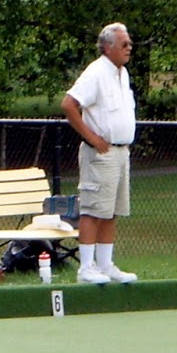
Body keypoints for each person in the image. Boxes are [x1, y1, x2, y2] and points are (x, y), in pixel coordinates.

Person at [61, 22, 138, 284]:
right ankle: (86, 268)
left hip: (120, 151)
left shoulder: (122, 73)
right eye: (123, 44)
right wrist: (92, 137)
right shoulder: (95, 73)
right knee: (93, 210)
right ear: (108, 47)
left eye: (129, 44)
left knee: (111, 210)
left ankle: (106, 266)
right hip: (100, 153)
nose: (129, 48)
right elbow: (69, 105)